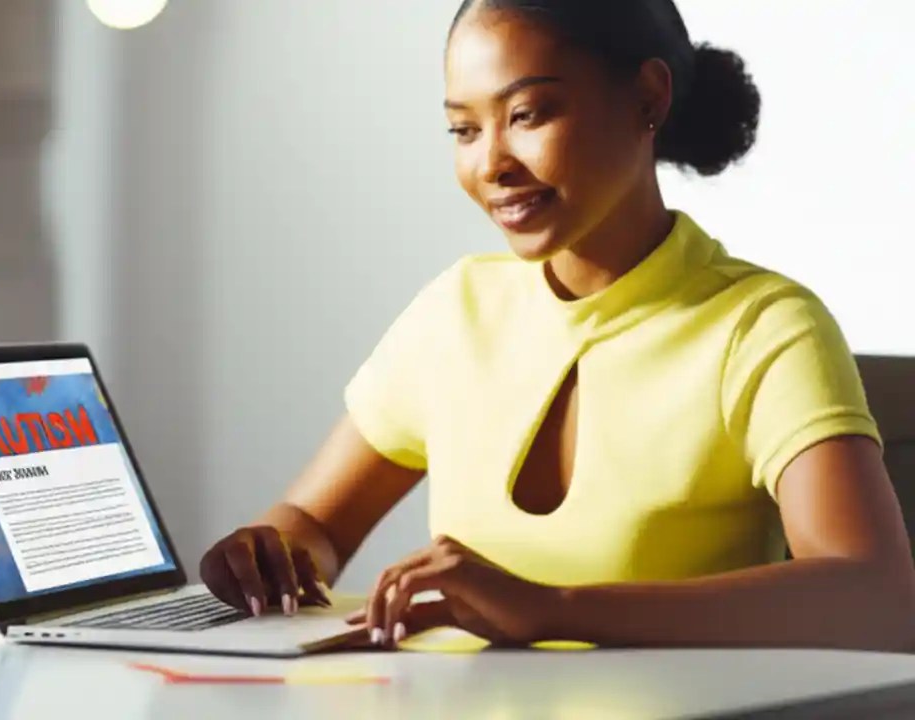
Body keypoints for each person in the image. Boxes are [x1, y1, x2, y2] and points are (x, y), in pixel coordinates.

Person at [199, 0, 915, 651]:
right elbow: (315, 524)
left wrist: (553, 609)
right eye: (463, 129)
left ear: (647, 96)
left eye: (529, 114)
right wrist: (273, 554)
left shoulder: (760, 328)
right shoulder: (457, 310)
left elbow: (875, 596)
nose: (492, 165)